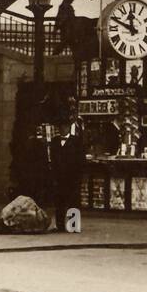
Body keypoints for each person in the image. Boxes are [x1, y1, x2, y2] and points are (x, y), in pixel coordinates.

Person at [51, 96, 85, 231]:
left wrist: (78, 176)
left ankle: (73, 226)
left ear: (68, 128)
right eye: (61, 127)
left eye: (65, 127)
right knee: (59, 202)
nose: (62, 129)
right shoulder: (55, 142)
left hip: (72, 176)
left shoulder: (76, 141)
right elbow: (53, 159)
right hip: (59, 177)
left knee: (73, 201)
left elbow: (80, 159)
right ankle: (60, 225)